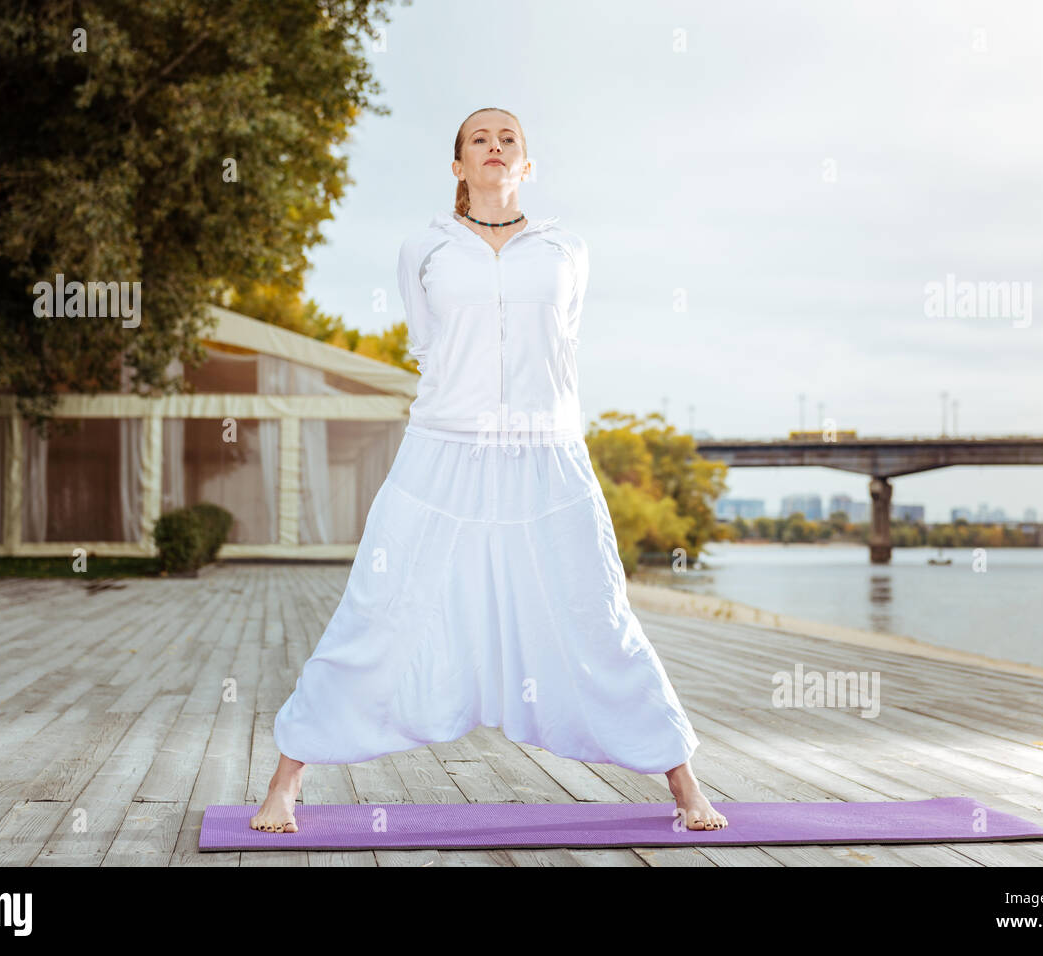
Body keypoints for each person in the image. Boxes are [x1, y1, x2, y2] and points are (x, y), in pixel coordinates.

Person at [251, 107, 728, 834]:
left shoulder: (565, 248)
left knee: (595, 609)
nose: (495, 146)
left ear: (526, 166)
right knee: (381, 604)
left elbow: (561, 342)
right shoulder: (426, 248)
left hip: (549, 455)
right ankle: (287, 782)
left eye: (509, 139)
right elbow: (427, 345)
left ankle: (686, 785)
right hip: (443, 450)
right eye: (480, 138)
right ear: (459, 166)